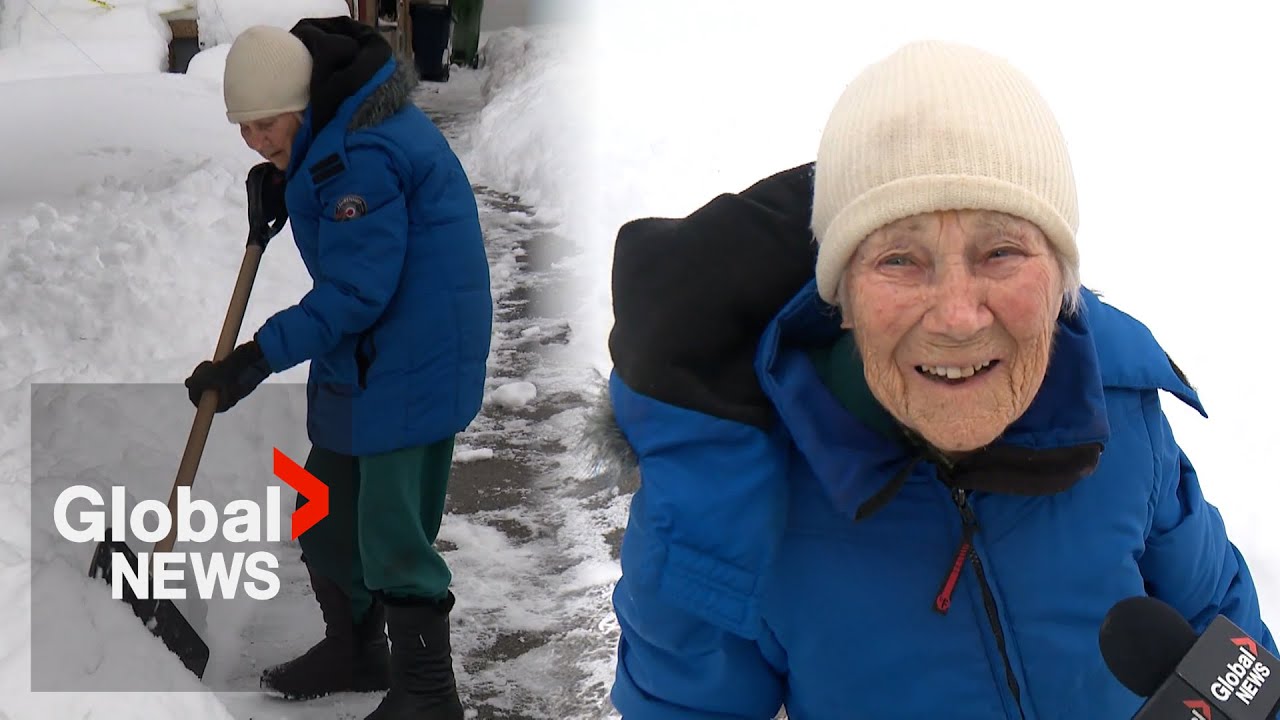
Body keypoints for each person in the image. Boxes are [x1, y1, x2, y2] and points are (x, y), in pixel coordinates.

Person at [602, 40, 1275, 718]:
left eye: (1003, 250)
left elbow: (1223, 633)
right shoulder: (734, 491)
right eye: (899, 258)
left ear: (1060, 281)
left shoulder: (1120, 415)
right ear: (841, 301)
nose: (957, 316)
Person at [183, 18, 492, 720]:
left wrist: (254, 359)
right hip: (375, 348)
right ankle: (355, 648)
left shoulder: (360, 155)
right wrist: (287, 184)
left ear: (303, 101)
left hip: (414, 354)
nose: (258, 140)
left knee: (390, 529)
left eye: (268, 125)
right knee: (324, 511)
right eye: (246, 130)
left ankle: (427, 693)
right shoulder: (334, 136)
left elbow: (357, 290)